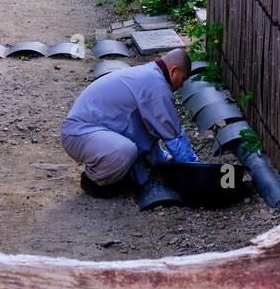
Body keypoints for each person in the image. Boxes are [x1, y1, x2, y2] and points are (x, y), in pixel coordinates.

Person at [61, 47, 199, 197]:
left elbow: (150, 129)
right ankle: (94, 180)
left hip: (87, 132)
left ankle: (111, 169)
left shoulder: (151, 75)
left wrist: (162, 160)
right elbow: (173, 136)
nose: (181, 85)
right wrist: (196, 173)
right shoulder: (157, 86)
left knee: (133, 151)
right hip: (79, 133)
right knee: (126, 151)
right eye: (183, 79)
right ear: (174, 70)